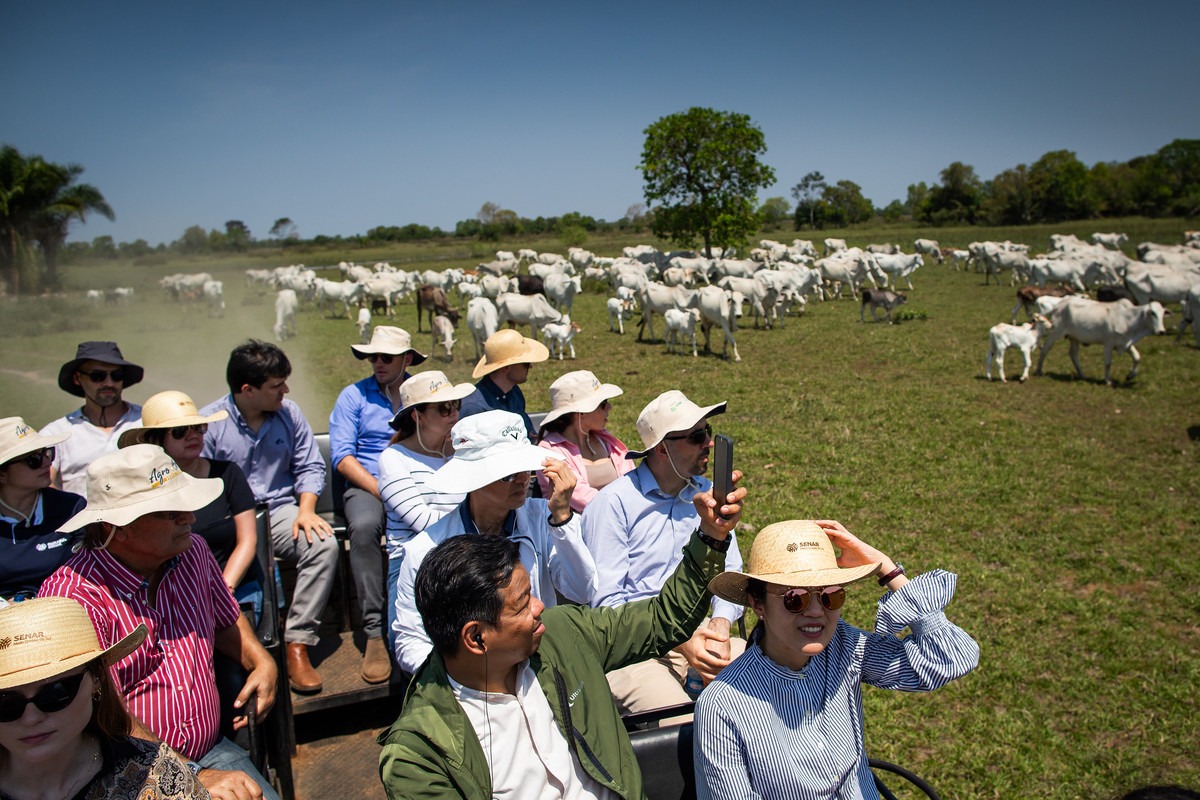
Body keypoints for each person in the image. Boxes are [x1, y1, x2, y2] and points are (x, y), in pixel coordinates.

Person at [377, 470, 746, 799]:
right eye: (522, 604)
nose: (540, 607)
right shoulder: (421, 756)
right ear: (476, 638)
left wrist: (711, 535)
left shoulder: (562, 635)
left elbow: (663, 619)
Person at [39, 444, 281, 800]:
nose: (190, 518)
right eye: (171, 512)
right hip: (125, 772)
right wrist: (191, 775)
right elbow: (101, 713)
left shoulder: (193, 552)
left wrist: (261, 661)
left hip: (211, 749)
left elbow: (225, 619)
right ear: (117, 526)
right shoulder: (74, 599)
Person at [694, 519, 980, 800]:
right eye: (795, 598)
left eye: (831, 595)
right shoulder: (722, 706)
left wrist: (888, 570)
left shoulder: (844, 645)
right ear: (758, 604)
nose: (816, 611)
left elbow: (951, 659)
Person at [390, 409, 596, 675]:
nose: (523, 480)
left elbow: (582, 590)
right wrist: (460, 682)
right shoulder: (426, 549)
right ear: (472, 479)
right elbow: (410, 640)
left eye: (526, 468)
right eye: (508, 474)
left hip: (540, 664)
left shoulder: (546, 518)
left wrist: (562, 519)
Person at [581, 389, 746, 716]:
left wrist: (721, 623)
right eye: (697, 437)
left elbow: (731, 571)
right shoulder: (613, 504)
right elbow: (607, 605)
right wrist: (679, 638)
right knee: (683, 724)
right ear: (661, 449)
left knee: (770, 690)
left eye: (708, 432)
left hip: (702, 633)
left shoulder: (706, 494)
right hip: (634, 649)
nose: (708, 444)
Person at [200, 340, 338, 694]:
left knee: (323, 545)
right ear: (248, 390)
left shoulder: (289, 414)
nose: (285, 391)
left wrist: (306, 510)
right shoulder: (210, 424)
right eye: (276, 385)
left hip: (278, 510)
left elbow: (309, 466)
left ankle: (297, 642)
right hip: (230, 518)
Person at [0, 596, 210, 799]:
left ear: (97, 677)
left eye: (56, 693)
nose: (31, 718)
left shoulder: (158, 775)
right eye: (5, 703)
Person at [328, 326, 427, 684]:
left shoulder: (421, 392)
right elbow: (343, 457)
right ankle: (373, 630)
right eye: (373, 357)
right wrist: (383, 490)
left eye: (386, 357)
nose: (378, 363)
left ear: (407, 359)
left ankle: (430, 614)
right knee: (366, 526)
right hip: (368, 485)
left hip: (415, 479)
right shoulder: (353, 396)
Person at [116, 391, 261, 622]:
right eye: (180, 431)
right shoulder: (147, 490)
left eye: (198, 428)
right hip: (173, 594)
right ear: (155, 440)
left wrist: (224, 590)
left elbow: (248, 540)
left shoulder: (227, 473)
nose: (193, 436)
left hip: (235, 587)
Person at [377, 370, 474, 653]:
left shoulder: (463, 453)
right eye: (443, 408)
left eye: (455, 405)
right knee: (414, 649)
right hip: (413, 562)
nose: (453, 413)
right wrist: (473, 521)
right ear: (416, 415)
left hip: (465, 555)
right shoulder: (394, 458)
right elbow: (421, 520)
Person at [39, 341, 145, 498]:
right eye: (98, 376)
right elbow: (40, 481)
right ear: (77, 378)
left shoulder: (148, 422)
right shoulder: (57, 433)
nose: (109, 383)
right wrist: (69, 508)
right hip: (82, 513)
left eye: (116, 375)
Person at [0, 417, 83, 601]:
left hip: (61, 609)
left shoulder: (72, 509)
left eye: (47, 453)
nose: (47, 462)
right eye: (33, 459)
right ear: (2, 474)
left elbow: (88, 572)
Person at [536, 370, 635, 512]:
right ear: (581, 412)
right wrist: (631, 507)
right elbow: (582, 498)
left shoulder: (606, 440)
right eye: (603, 403)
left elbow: (634, 482)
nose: (609, 407)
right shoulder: (549, 451)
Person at [459, 328, 549, 439]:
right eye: (525, 363)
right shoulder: (473, 408)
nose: (530, 366)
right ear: (506, 367)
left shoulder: (514, 392)